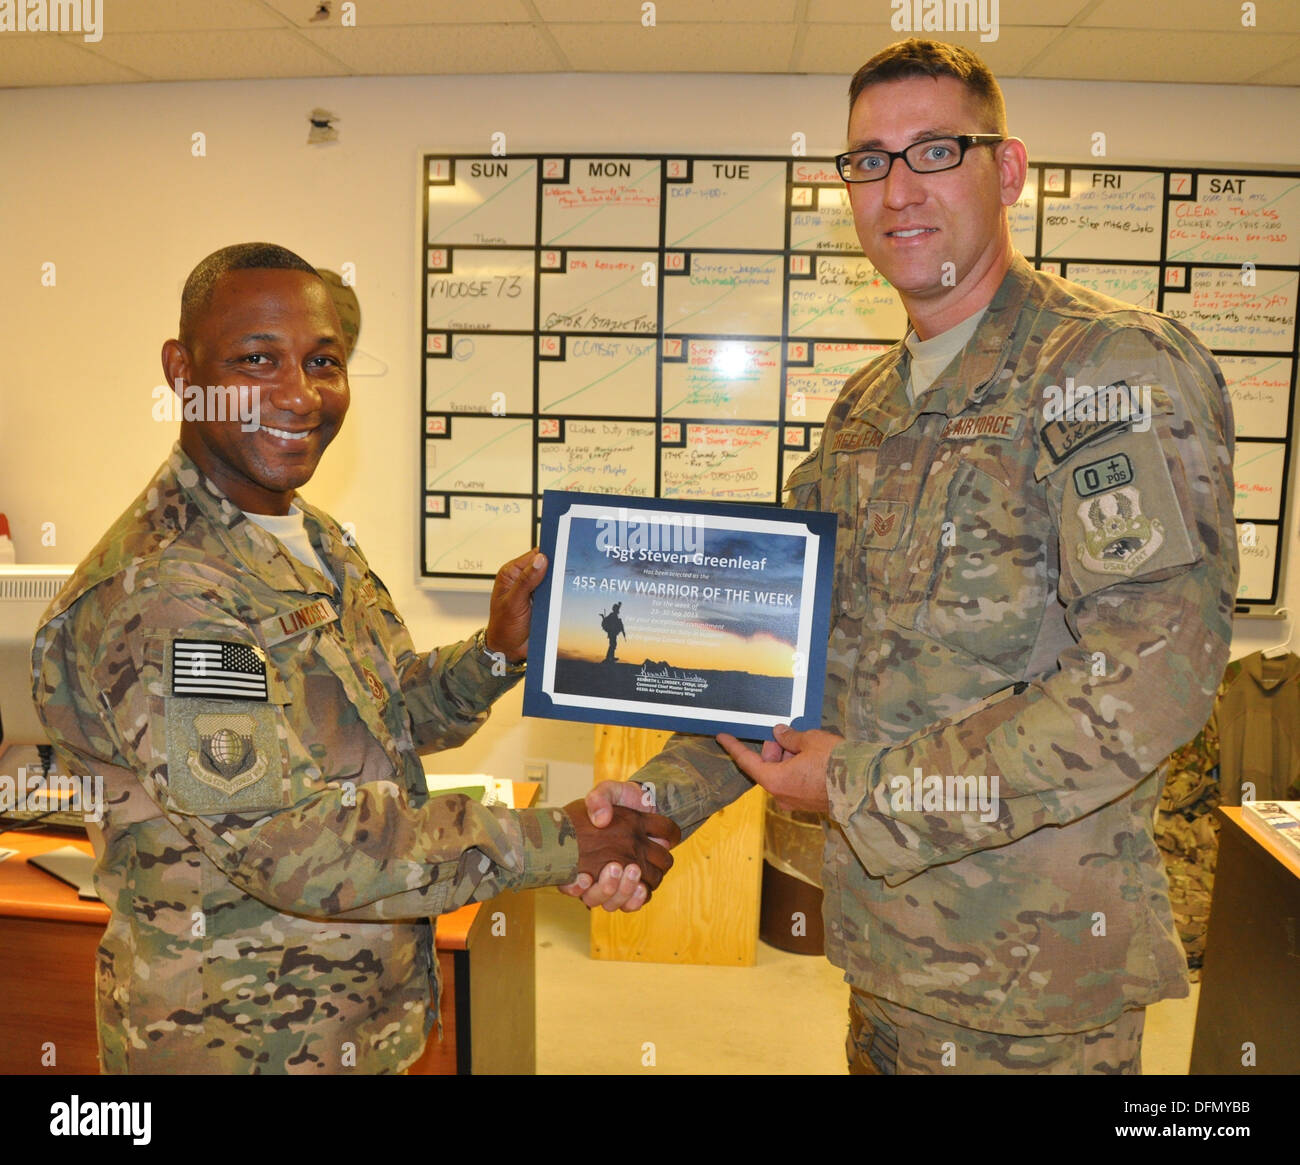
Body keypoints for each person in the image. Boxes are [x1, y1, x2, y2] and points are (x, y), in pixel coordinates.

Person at [570, 39, 1239, 1073]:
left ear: (1007, 170)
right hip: (884, 959)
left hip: (1034, 990)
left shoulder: (1106, 370)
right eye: (868, 160)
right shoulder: (867, 409)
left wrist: (863, 787)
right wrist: (654, 807)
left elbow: (1148, 679)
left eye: (935, 150)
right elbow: (783, 655)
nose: (897, 189)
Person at [32, 242, 678, 1074]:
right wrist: (559, 841)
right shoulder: (166, 592)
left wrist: (493, 653)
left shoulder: (314, 537)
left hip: (360, 1018)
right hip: (238, 1039)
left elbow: (386, 713)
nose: (298, 394)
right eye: (256, 359)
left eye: (323, 361)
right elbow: (285, 839)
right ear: (182, 369)